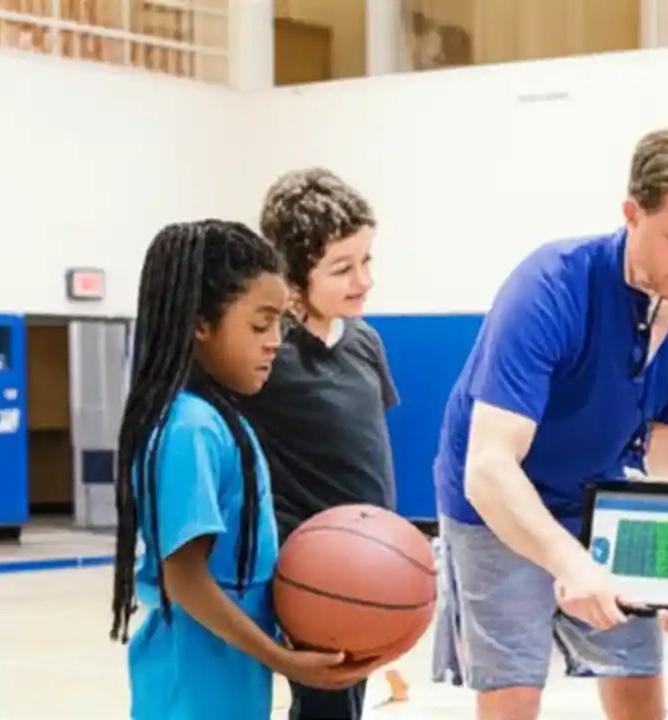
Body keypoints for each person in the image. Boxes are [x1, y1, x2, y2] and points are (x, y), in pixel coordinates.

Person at [430, 125, 668, 720]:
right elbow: (490, 468)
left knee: (638, 682)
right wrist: (571, 565)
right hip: (497, 506)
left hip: (602, 498)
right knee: (513, 693)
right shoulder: (550, 284)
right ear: (632, 214)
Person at [110, 220, 369, 720]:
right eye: (260, 323)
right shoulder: (191, 429)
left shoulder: (219, 421)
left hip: (225, 685)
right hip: (191, 692)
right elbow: (184, 576)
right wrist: (280, 657)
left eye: (280, 324)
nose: (274, 341)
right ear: (200, 325)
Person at [235, 168, 400, 720]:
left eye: (367, 260)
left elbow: (368, 445)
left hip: (373, 558)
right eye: (342, 268)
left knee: (340, 703)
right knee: (326, 699)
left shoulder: (366, 342)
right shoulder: (266, 349)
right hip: (310, 565)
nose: (364, 280)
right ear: (292, 274)